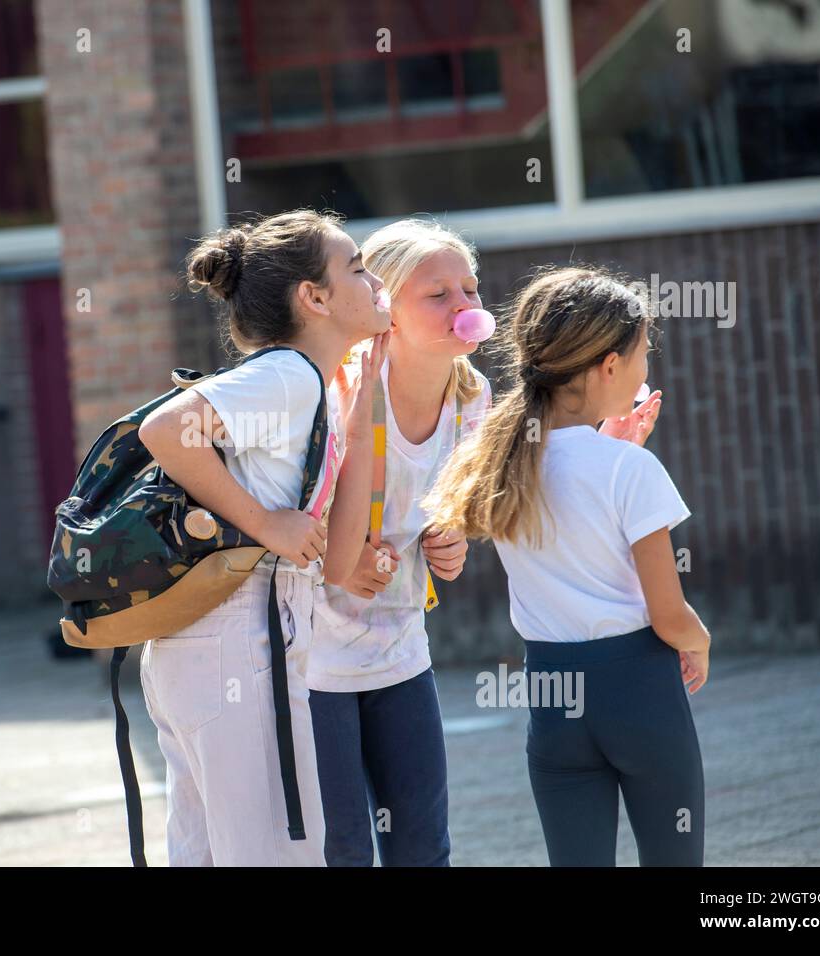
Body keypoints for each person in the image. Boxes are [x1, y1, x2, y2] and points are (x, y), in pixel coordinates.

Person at [422, 266, 705, 866]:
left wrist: (613, 448)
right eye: (641, 354)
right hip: (639, 692)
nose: (644, 368)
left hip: (552, 695)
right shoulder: (629, 472)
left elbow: (571, 501)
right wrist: (699, 639)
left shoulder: (502, 466)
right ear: (608, 365)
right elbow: (668, 614)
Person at [136, 209, 390, 865]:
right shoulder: (288, 375)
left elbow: (334, 565)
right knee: (274, 856)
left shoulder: (317, 388)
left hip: (224, 639)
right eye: (357, 267)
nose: (373, 279)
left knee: (211, 854)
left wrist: (360, 424)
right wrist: (265, 521)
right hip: (237, 641)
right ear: (314, 297)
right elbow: (166, 430)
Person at [308, 219, 491, 866]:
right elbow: (295, 512)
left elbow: (444, 514)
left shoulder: (474, 400)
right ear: (384, 306)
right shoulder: (339, 392)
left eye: (469, 289)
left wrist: (453, 542)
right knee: (344, 849)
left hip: (401, 650)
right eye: (437, 294)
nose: (464, 305)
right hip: (315, 660)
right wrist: (341, 551)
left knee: (422, 845)